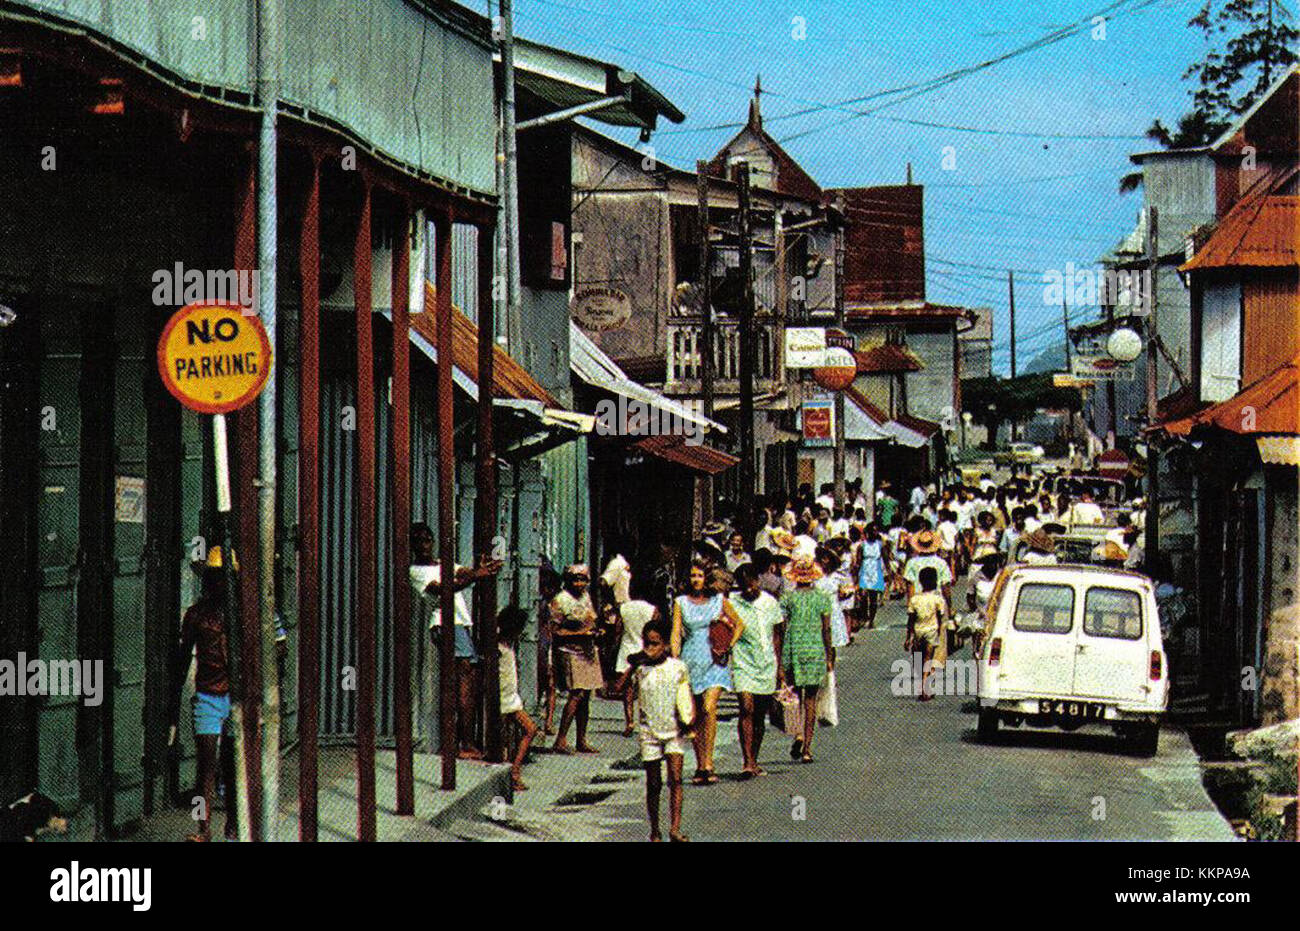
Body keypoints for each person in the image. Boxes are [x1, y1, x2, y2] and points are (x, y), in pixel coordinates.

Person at [410, 523, 502, 759]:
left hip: (459, 624)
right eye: (418, 541)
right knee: (463, 681)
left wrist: (478, 572)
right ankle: (464, 743)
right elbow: (444, 590)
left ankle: (463, 741)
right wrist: (477, 575)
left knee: (465, 681)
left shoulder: (442, 564)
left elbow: (463, 574)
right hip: (446, 623)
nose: (424, 545)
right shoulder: (416, 571)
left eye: (427, 539)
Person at [170, 546, 238, 842]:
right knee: (206, 769)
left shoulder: (242, 611)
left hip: (236, 698)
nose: (219, 583)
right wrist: (172, 701)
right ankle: (203, 830)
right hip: (209, 696)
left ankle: (234, 825)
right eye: (214, 577)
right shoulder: (196, 615)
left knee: (234, 768)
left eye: (224, 577)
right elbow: (183, 657)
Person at [613, 618, 690, 842]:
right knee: (653, 783)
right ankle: (654, 829)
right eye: (647, 643)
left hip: (673, 729)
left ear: (665, 644)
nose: (650, 648)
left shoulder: (678, 667)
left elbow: (685, 698)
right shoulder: (641, 669)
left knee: (675, 779)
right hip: (649, 732)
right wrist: (632, 667)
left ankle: (675, 828)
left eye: (655, 644)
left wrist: (688, 721)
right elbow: (618, 689)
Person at [671, 562, 744, 785]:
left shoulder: (719, 601)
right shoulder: (680, 603)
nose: (696, 580)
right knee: (694, 715)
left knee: (708, 707)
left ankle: (710, 762)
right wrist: (674, 661)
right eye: (692, 575)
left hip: (715, 659)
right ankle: (701, 764)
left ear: (707, 578)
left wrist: (728, 645)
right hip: (691, 659)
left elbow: (739, 624)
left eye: (700, 575)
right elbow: (676, 633)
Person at [729, 563, 785, 779]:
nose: (748, 588)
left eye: (751, 583)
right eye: (744, 585)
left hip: (766, 662)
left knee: (760, 714)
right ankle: (746, 761)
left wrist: (780, 667)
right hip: (743, 662)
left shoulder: (770, 603)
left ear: (757, 580)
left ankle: (754, 758)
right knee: (746, 707)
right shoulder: (732, 603)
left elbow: (777, 635)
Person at [780, 555, 832, 762]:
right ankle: (808, 748)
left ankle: (798, 734)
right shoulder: (822, 598)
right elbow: (826, 628)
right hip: (815, 649)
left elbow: (781, 626)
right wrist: (829, 655)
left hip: (793, 649)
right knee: (811, 700)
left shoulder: (788, 598)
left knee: (794, 699)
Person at [550, 565, 603, 754]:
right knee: (576, 694)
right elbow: (554, 630)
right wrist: (578, 633)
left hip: (587, 650)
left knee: (586, 695)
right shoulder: (561, 600)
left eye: (582, 580)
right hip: (570, 651)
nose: (579, 584)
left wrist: (594, 630)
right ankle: (561, 739)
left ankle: (581, 739)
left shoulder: (586, 597)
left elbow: (591, 619)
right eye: (575, 579)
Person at [496, 605, 538, 792]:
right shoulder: (498, 647)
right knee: (503, 738)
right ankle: (510, 776)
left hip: (511, 697)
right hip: (502, 697)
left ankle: (514, 770)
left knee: (530, 729)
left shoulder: (509, 645)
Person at [614, 574, 660, 737]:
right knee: (646, 690)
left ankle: (629, 722)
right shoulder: (652, 610)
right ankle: (646, 722)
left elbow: (618, 631)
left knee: (627, 690)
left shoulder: (624, 608)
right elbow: (656, 632)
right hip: (645, 650)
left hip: (626, 650)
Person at [906, 566, 949, 701]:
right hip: (932, 632)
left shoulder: (914, 599)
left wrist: (908, 637)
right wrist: (940, 632)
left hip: (918, 632)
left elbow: (911, 620)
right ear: (936, 581)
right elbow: (940, 617)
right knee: (928, 660)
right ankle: (926, 688)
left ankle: (923, 687)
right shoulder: (938, 599)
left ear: (920, 581)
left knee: (919, 661)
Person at [855, 522, 887, 629]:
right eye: (872, 530)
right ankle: (865, 616)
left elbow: (885, 558)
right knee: (863, 597)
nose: (875, 533)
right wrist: (856, 575)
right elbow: (858, 561)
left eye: (876, 530)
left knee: (873, 598)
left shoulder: (880, 545)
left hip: (876, 571)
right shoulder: (862, 545)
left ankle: (872, 619)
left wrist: (889, 572)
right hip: (865, 570)